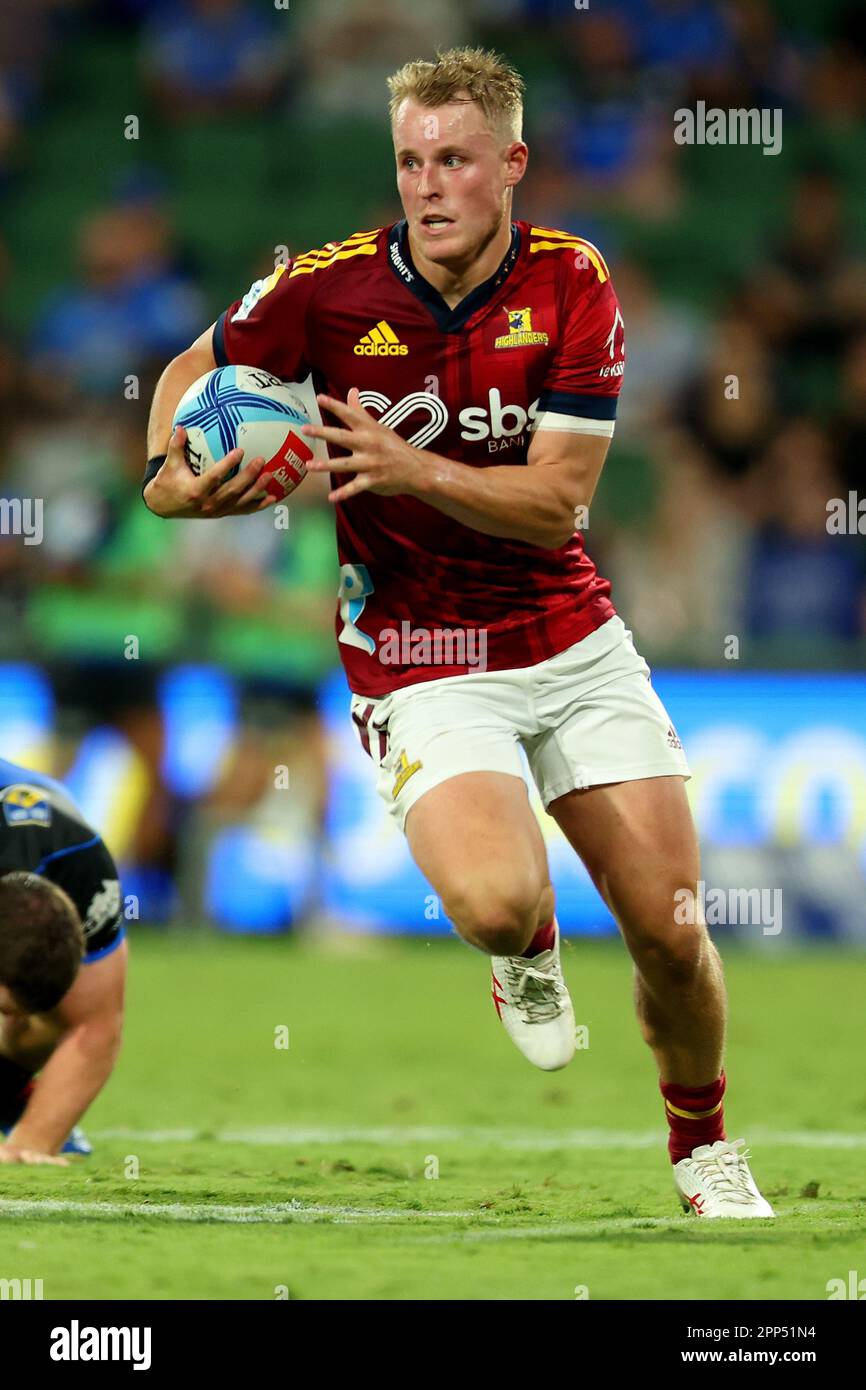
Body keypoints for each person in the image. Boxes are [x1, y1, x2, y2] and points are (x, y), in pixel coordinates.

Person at [142, 47, 773, 1218]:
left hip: (567, 637)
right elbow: (194, 365)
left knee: (673, 934)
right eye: (409, 162)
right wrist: (167, 477)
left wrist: (401, 465)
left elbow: (557, 502)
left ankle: (703, 1151)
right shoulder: (323, 290)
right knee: (492, 903)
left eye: (454, 161)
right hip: (419, 656)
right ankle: (522, 957)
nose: (428, 185)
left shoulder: (572, 282)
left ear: (511, 165)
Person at [0, 759, 127, 1165]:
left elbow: (96, 1023)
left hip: (52, 850)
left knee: (54, 1017)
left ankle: (10, 1096)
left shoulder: (81, 868)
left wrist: (32, 1143)